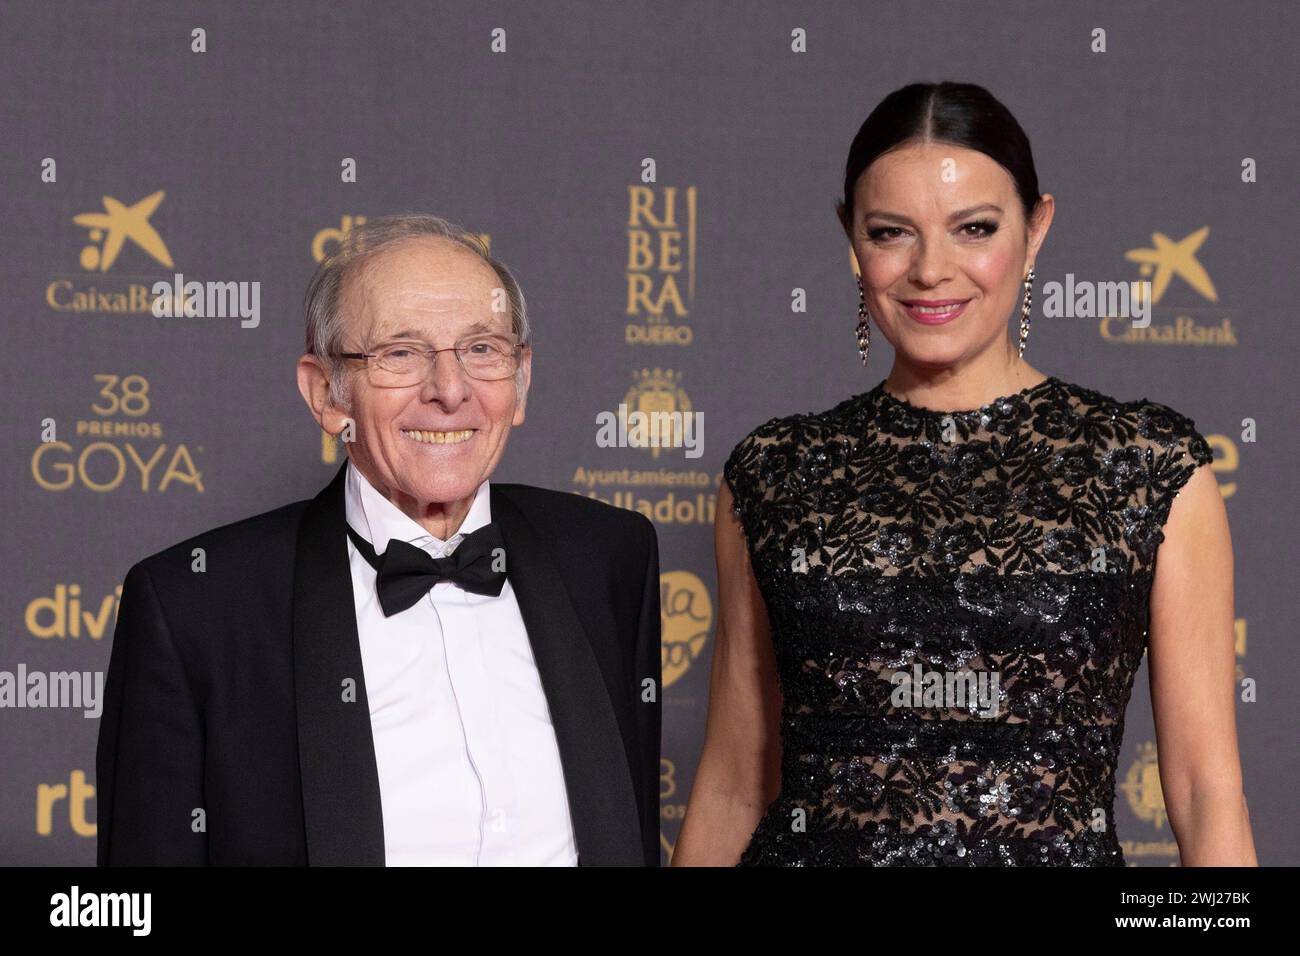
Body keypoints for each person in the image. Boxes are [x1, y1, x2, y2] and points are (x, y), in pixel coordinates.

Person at [674, 82, 1255, 866]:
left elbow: (1202, 790)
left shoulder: (1148, 467)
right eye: (892, 234)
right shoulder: (776, 473)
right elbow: (735, 784)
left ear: (1036, 228)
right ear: (851, 238)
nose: (931, 270)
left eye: (973, 229)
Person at [96, 214, 661, 866]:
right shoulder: (194, 605)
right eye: (400, 352)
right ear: (327, 395)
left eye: (482, 349)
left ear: (521, 378)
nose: (450, 391)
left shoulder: (608, 556)